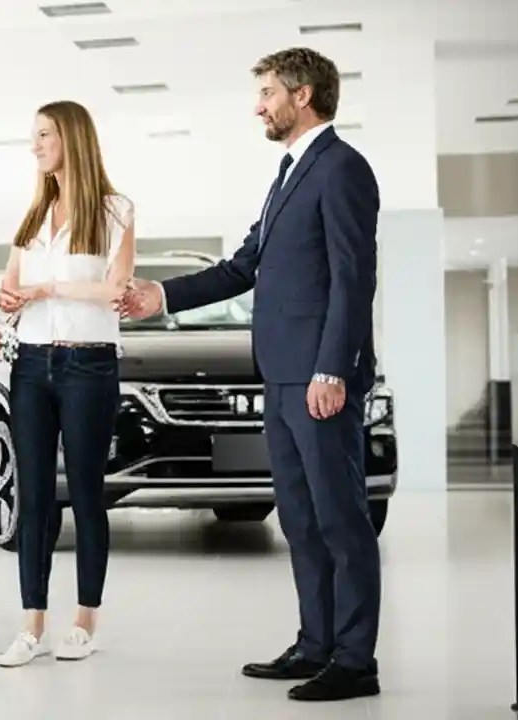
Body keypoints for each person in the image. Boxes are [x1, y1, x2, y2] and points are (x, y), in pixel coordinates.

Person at [120, 47, 382, 702]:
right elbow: (242, 267)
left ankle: (355, 660)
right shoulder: (289, 174)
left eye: (267, 92)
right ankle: (315, 643)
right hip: (282, 375)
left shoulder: (342, 169)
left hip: (319, 377)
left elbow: (354, 278)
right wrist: (163, 297)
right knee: (298, 516)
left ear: (303, 95)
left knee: (339, 519)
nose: (258, 105)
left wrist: (334, 368)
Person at [0, 100, 135, 667]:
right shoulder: (34, 216)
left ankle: (85, 618)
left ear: (71, 137)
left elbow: (116, 290)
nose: (35, 145)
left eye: (44, 134)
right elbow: (10, 290)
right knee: (34, 496)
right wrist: (1, 320)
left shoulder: (115, 210)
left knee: (87, 493)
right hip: (31, 366)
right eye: (33, 135)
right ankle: (31, 623)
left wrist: (48, 291)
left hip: (90, 365)